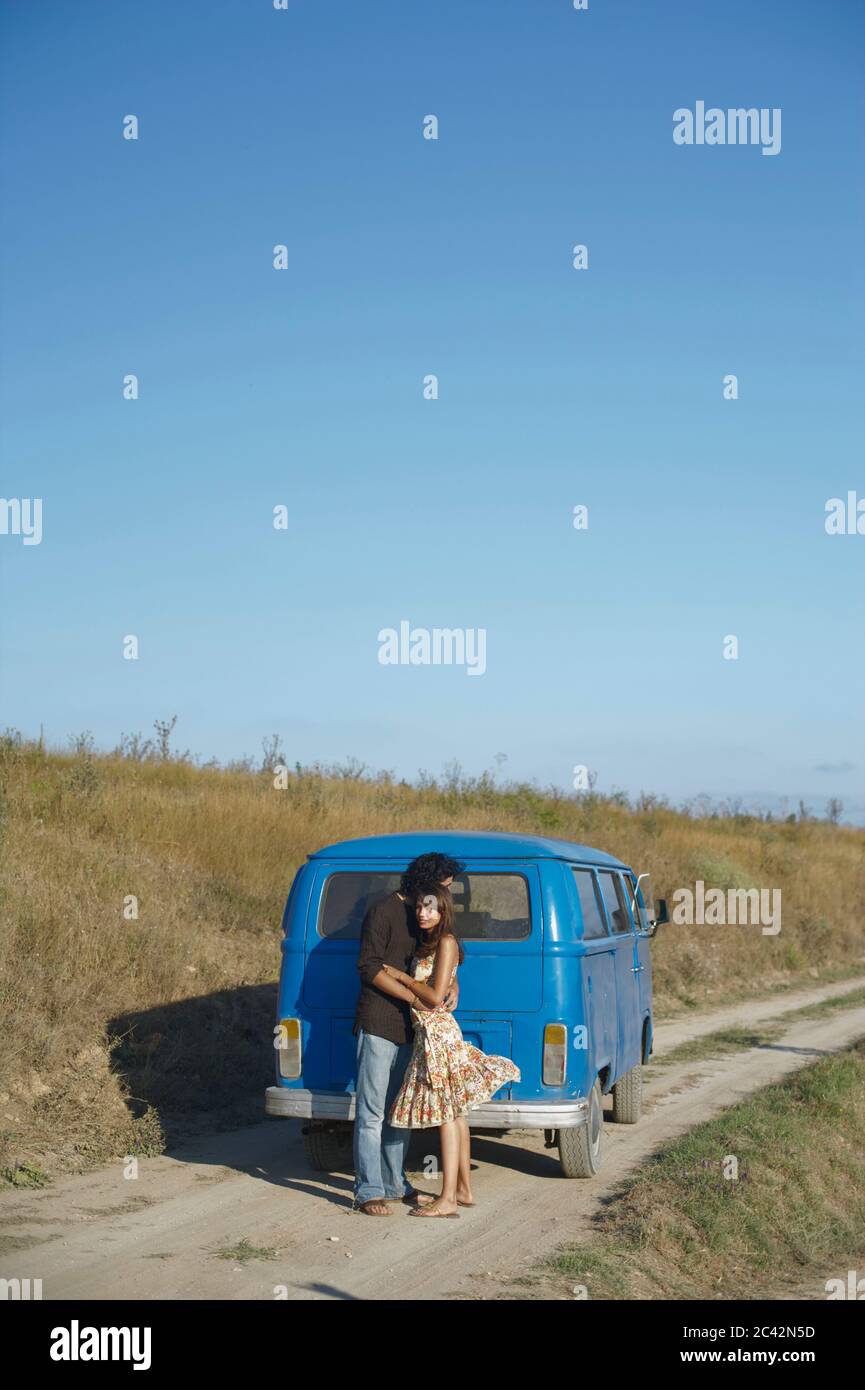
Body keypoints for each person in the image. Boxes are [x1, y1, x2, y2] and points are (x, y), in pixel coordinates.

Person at [385, 881, 521, 1217]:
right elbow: (442, 984)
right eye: (419, 907)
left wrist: (400, 978)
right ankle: (462, 1188)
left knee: (446, 1114)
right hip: (431, 1033)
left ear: (444, 909)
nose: (422, 913)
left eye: (430, 907)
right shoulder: (432, 943)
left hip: (438, 1034)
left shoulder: (445, 941)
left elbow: (433, 997)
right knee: (456, 1114)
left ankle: (446, 1199)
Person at [352, 853, 464, 1215]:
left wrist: (453, 984)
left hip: (412, 1029)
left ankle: (395, 1184)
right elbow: (368, 967)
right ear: (424, 883)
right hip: (380, 1022)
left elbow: (441, 954)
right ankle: (368, 1190)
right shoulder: (383, 911)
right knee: (371, 1111)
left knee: (397, 1112)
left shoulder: (424, 913)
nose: (444, 897)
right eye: (443, 887)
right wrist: (413, 997)